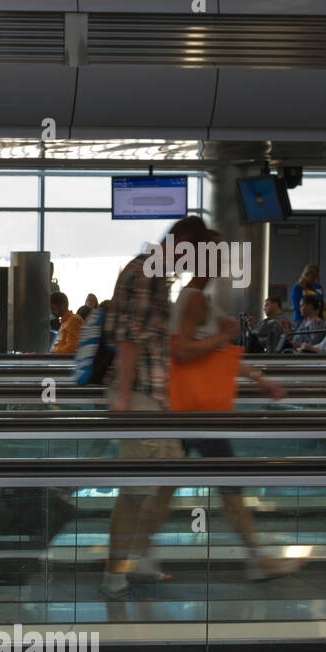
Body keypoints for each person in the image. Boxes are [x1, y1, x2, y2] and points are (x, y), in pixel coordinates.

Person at [100, 216, 212, 597]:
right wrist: (125, 403)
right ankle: (115, 572)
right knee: (134, 490)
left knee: (165, 476)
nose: (195, 268)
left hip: (152, 395)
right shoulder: (147, 274)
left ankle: (138, 557)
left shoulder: (154, 273)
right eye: (196, 257)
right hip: (139, 396)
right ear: (181, 243)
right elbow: (130, 340)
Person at [171, 247, 299, 581]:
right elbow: (184, 351)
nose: (222, 260)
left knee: (167, 484)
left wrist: (258, 378)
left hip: (194, 410)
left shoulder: (198, 298)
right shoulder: (195, 298)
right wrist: (223, 335)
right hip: (199, 412)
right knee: (227, 486)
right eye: (214, 252)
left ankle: (132, 557)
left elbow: (215, 356)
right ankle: (258, 558)